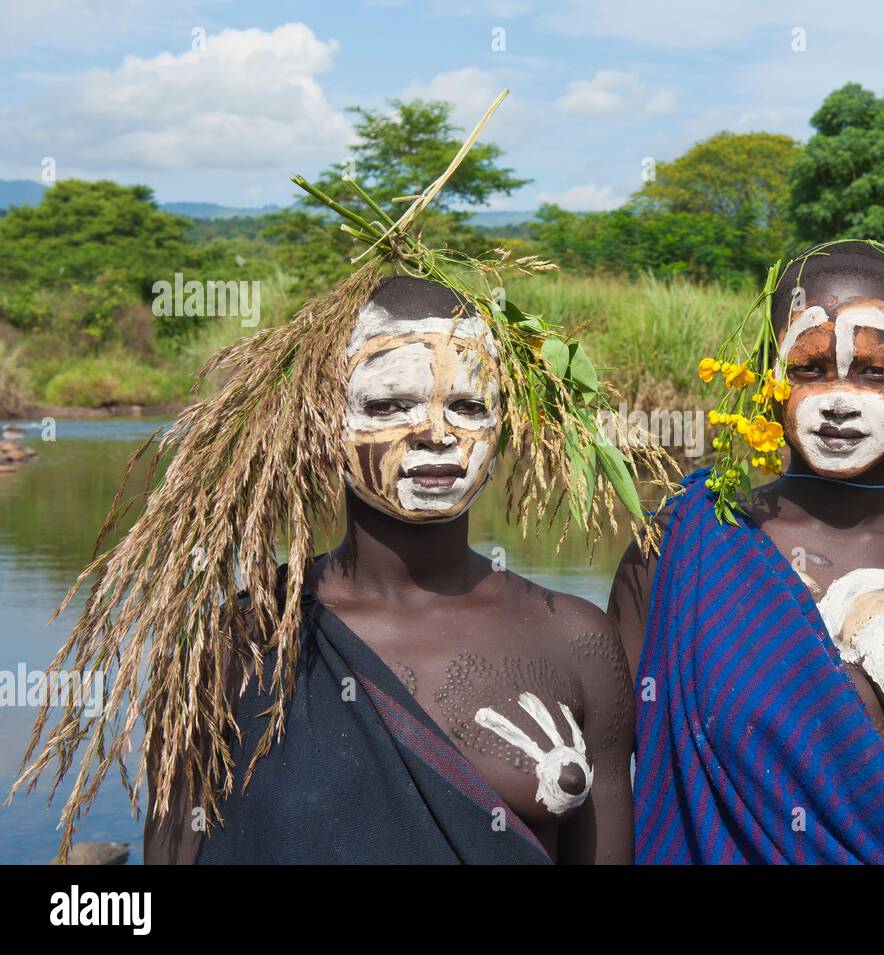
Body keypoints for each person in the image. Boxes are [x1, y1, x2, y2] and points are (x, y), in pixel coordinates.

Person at [14, 201, 671, 864]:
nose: (436, 432)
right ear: (325, 427)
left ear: (503, 432)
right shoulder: (237, 642)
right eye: (388, 404)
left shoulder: (575, 640)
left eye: (468, 405)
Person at [609, 241, 884, 864]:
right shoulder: (681, 542)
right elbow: (614, 784)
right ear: (768, 376)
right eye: (809, 369)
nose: (839, 399)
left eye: (874, 370)